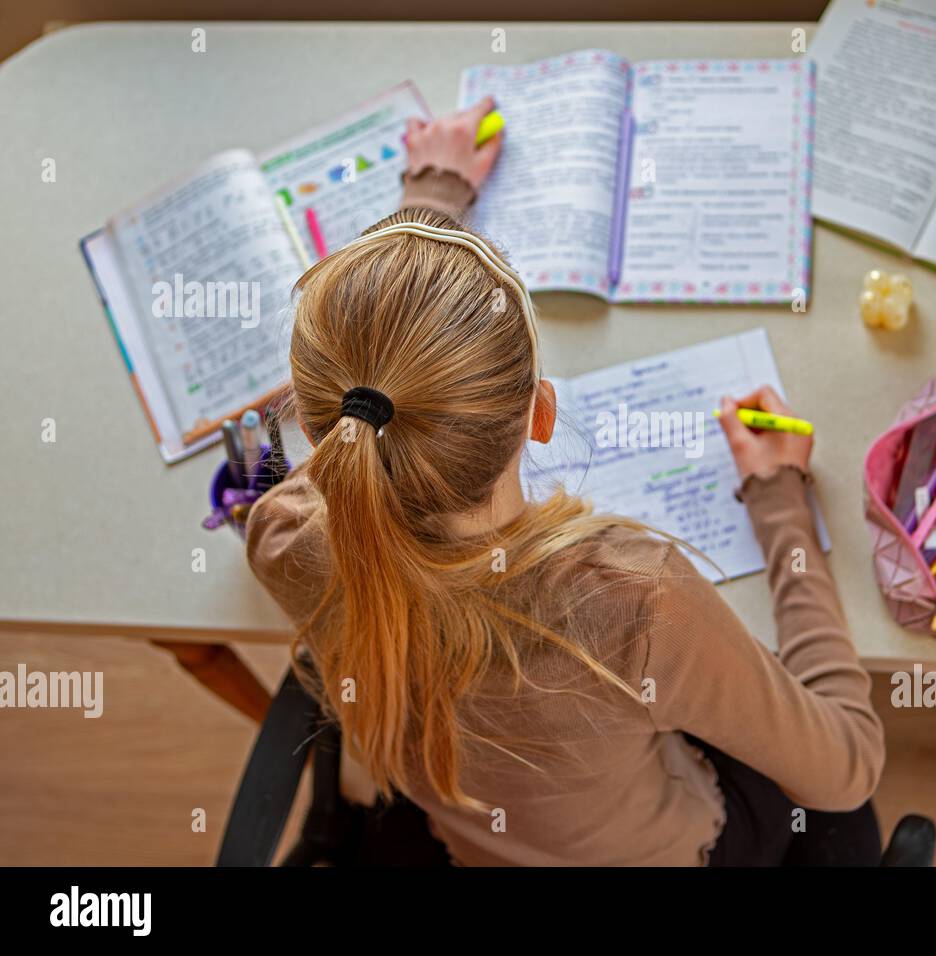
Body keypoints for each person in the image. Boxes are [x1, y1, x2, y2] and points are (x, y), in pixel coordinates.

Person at [246, 96, 885, 866]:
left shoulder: (284, 538)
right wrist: (783, 505)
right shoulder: (633, 602)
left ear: (317, 434)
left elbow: (378, 391)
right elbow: (845, 770)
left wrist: (430, 199)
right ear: (542, 413)